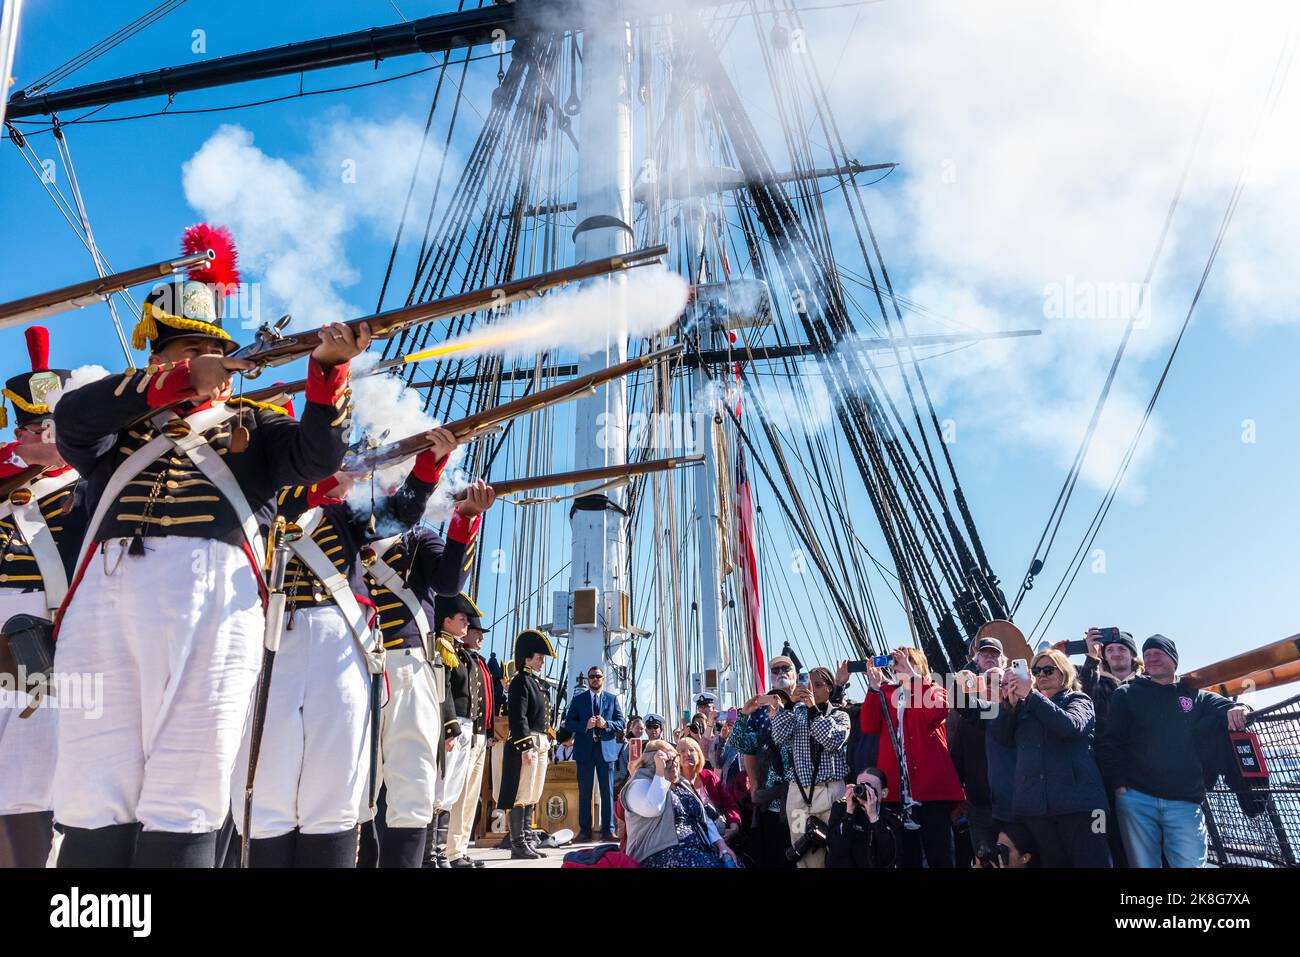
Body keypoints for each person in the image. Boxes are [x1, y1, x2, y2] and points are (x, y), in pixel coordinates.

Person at [51, 227, 364, 866]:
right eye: (179, 355)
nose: (194, 365)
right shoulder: (120, 423)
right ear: (156, 362)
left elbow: (317, 454)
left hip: (217, 607)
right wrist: (174, 385)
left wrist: (329, 369)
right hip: (105, 607)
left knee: (188, 785)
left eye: (204, 353)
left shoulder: (255, 423)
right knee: (94, 783)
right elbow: (71, 419)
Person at [358, 487, 487, 868]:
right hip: (354, 659)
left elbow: (449, 582)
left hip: (407, 664)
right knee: (352, 784)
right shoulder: (350, 527)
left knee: (412, 784)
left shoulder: (420, 538)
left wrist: (465, 518)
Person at [0, 327, 84, 868]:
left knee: (29, 783)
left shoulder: (87, 486)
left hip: (42, 638)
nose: (29, 434)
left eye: (41, 425)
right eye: (26, 424)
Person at [1099, 635, 1249, 869]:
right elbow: (1112, 742)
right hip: (1137, 799)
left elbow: (1230, 706)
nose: (1151, 658)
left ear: (1174, 659)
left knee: (1191, 863)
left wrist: (1241, 708)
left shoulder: (1195, 695)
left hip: (1184, 801)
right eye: (1147, 655)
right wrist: (1120, 785)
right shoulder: (1126, 694)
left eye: (1158, 653)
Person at [993, 649, 1112, 867]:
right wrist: (1008, 707)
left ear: (1064, 672)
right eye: (1036, 671)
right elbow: (1002, 738)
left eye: (1049, 670)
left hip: (1082, 808)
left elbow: (1069, 726)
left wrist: (1031, 695)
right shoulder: (1024, 708)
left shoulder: (1079, 699)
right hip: (1039, 811)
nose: (1042, 675)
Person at [860, 648, 965, 868]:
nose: (899, 668)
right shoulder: (887, 694)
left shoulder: (933, 689)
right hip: (897, 793)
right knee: (906, 857)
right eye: (897, 664)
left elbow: (937, 711)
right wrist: (873, 688)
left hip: (931, 792)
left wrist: (913, 679)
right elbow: (869, 725)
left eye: (906, 663)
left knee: (940, 856)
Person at [426, 592, 490, 867]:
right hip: (454, 726)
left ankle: (441, 851)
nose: (466, 623)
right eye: (462, 618)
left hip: (468, 727)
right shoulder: (443, 647)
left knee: (450, 791)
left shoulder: (459, 652)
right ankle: (431, 853)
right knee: (440, 789)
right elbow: (444, 692)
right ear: (447, 620)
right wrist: (449, 728)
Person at [770, 666, 850, 868]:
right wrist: (789, 704)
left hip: (832, 793)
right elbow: (778, 737)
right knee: (803, 852)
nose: (811, 689)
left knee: (837, 851)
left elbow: (831, 740)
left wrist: (813, 709)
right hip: (799, 797)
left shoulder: (840, 716)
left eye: (818, 685)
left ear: (830, 688)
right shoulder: (796, 714)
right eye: (808, 685)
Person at [620, 740, 738, 868]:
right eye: (667, 760)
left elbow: (704, 819)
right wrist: (660, 772)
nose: (674, 764)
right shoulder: (637, 785)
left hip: (698, 849)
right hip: (659, 854)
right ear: (652, 764)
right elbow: (654, 807)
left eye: (675, 758)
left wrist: (722, 845)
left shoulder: (682, 783)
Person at [443, 614, 497, 869]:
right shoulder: (458, 657)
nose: (481, 636)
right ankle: (447, 851)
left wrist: (489, 732)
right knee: (454, 792)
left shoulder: (479, 662)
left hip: (479, 735)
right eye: (477, 631)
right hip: (463, 731)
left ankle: (459, 849)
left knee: (470, 795)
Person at [496, 629, 556, 860]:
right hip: (527, 741)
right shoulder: (521, 681)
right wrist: (525, 747)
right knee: (522, 793)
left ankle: (528, 839)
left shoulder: (535, 683)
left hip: (541, 741)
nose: (542, 661)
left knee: (533, 793)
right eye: (539, 657)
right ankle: (518, 844)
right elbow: (518, 717)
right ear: (527, 658)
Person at [949, 636, 1007, 862]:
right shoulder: (966, 705)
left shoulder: (1018, 698)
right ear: (976, 660)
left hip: (1015, 799)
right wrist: (957, 798)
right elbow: (956, 750)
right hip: (980, 799)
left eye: (995, 654)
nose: (990, 658)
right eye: (985, 654)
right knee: (985, 857)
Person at [563, 663, 625, 842]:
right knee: (585, 792)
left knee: (607, 792)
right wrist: (585, 725)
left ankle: (608, 830)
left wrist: (607, 724)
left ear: (603, 679)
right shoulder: (579, 700)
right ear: (588, 679)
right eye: (592, 676)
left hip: (605, 750)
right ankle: (584, 831)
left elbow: (621, 723)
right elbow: (569, 723)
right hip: (585, 750)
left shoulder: (612, 699)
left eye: (598, 676)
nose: (595, 679)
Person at [826, 767, 901, 868]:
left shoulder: (891, 818)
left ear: (884, 793)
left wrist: (874, 818)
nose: (864, 791)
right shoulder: (841, 808)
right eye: (860, 786)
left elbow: (889, 857)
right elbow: (836, 849)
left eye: (869, 787)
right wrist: (849, 813)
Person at [677, 735, 742, 846]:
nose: (687, 754)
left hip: (722, 833)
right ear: (676, 758)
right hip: (694, 840)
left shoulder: (709, 776)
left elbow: (729, 804)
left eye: (692, 750)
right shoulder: (675, 784)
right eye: (682, 751)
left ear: (699, 755)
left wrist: (734, 827)